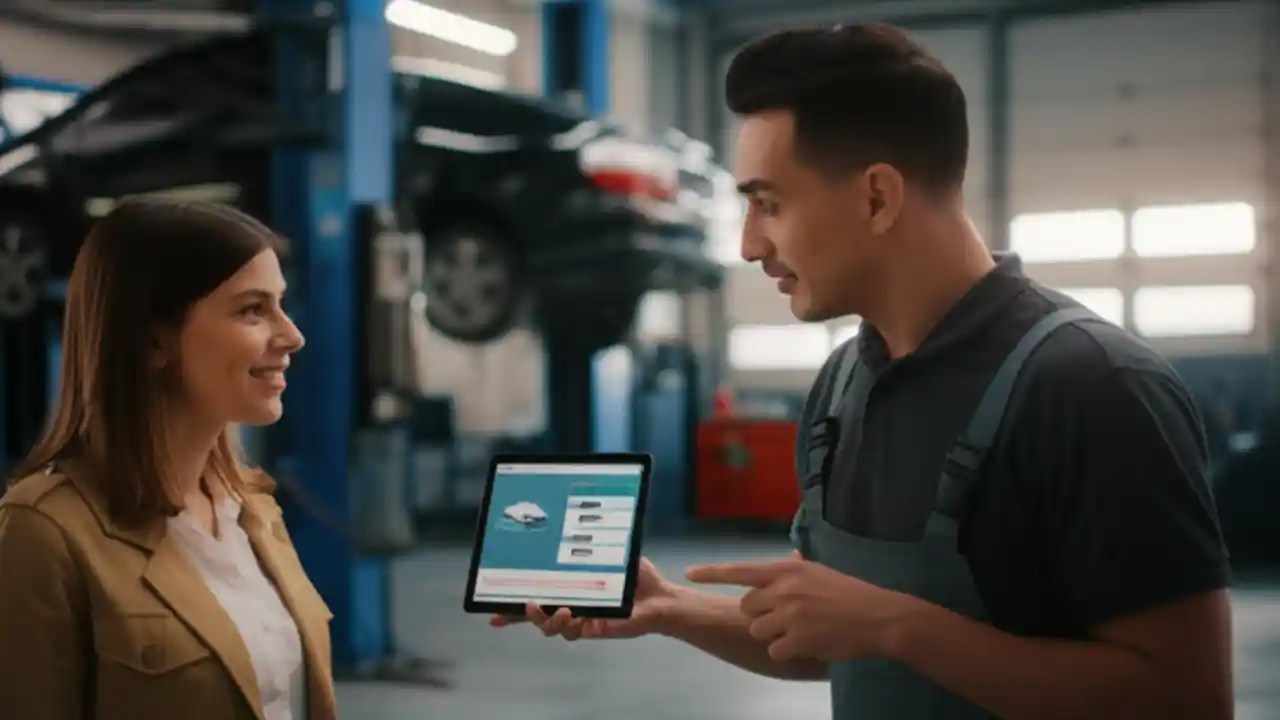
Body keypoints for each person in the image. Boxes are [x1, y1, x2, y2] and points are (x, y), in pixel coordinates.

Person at [494, 23, 1234, 720]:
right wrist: (671, 608)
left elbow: (1186, 698)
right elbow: (839, 636)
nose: (750, 245)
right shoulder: (844, 386)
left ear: (877, 196)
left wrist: (900, 626)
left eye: (768, 204)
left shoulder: (1095, 389)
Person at [0, 199, 337, 720]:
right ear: (152, 339)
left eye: (281, 304)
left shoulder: (252, 511)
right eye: (253, 309)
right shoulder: (46, 533)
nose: (292, 335)